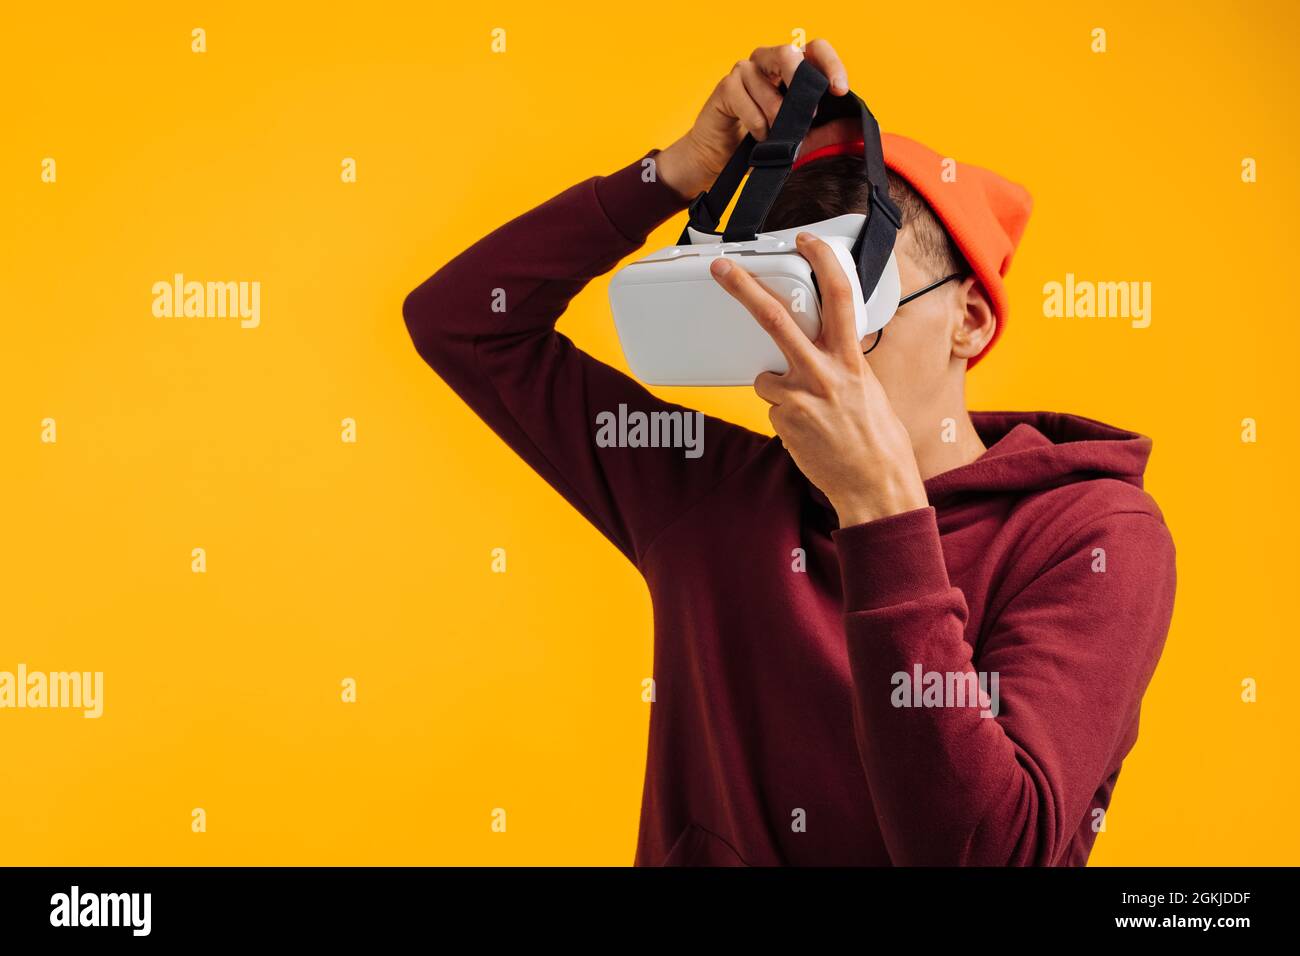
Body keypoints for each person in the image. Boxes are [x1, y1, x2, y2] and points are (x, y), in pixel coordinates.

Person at [402, 39, 1177, 866]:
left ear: (971, 320)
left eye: (853, 306)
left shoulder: (1092, 535)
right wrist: (672, 175)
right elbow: (465, 322)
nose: (814, 351)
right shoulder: (715, 496)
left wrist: (883, 514)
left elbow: (988, 852)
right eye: (787, 308)